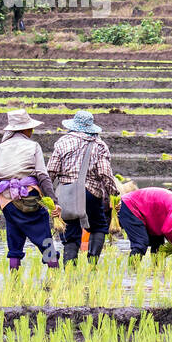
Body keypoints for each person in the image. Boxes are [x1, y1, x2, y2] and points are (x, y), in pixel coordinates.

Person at [0, 109, 60, 271]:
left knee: (14, 238)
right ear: (25, 129)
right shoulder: (33, 146)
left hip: (7, 201)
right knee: (44, 236)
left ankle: (14, 277)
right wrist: (53, 202)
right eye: (30, 128)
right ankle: (54, 273)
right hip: (30, 197)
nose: (32, 131)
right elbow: (42, 175)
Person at [47, 110, 118, 264]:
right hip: (90, 193)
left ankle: (70, 268)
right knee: (98, 227)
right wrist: (114, 194)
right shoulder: (99, 145)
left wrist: (48, 196)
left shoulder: (62, 142)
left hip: (67, 193)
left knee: (70, 230)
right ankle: (92, 264)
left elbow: (51, 171)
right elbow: (105, 173)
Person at [116, 183, 172, 257]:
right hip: (130, 206)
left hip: (149, 212)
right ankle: (132, 268)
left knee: (159, 245)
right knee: (140, 244)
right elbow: (169, 231)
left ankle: (157, 267)